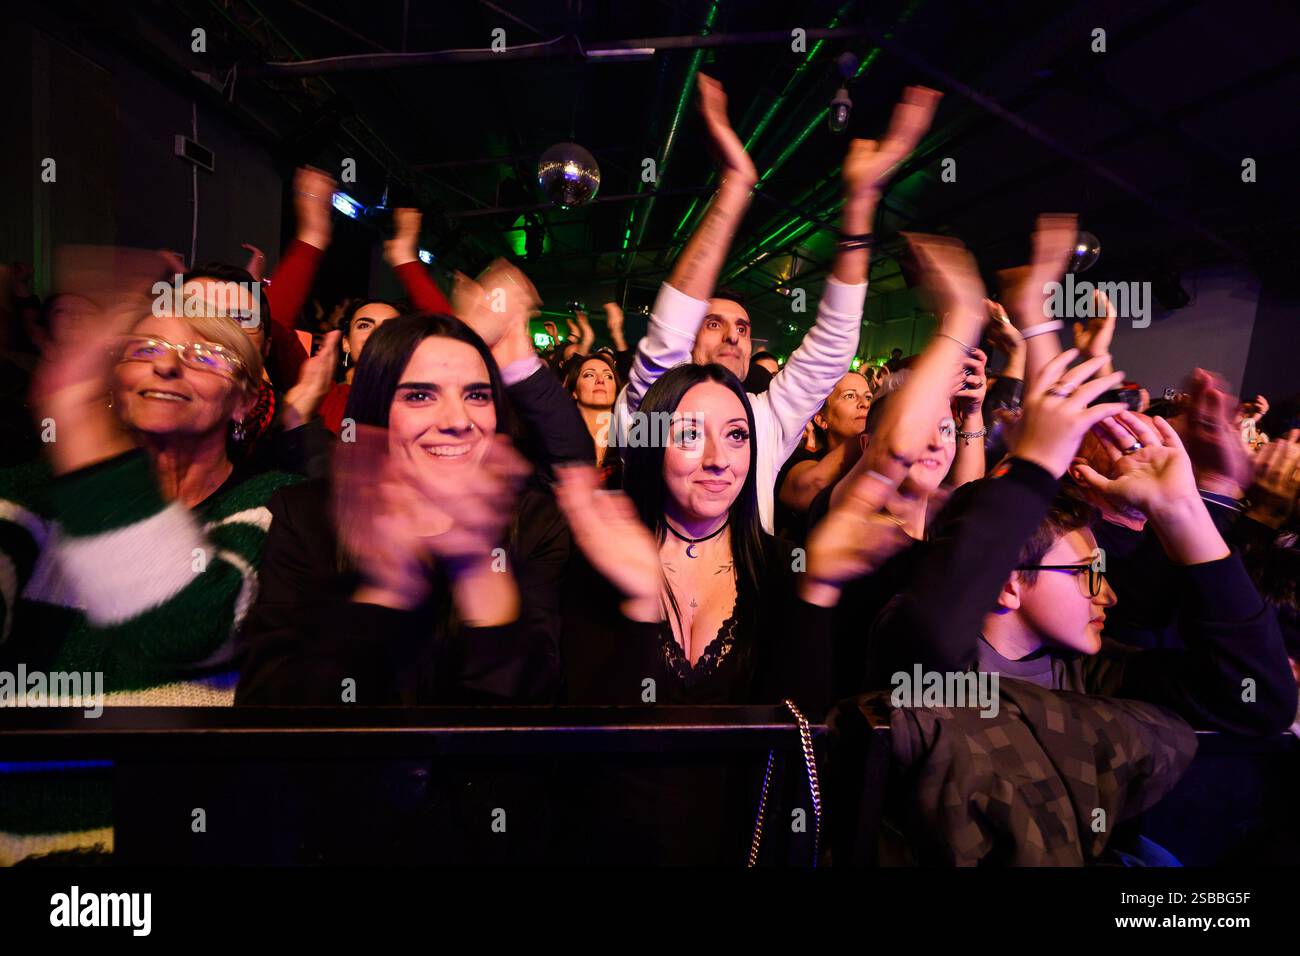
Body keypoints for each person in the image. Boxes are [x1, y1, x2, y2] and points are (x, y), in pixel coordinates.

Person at [553, 363, 877, 863]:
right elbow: (590, 749)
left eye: (735, 436)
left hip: (742, 846)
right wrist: (640, 604)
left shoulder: (780, 569)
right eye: (689, 435)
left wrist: (818, 595)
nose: (717, 459)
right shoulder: (602, 562)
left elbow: (802, 743)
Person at [613, 78, 942, 532]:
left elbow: (832, 348)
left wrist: (862, 201)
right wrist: (734, 188)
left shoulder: (762, 420)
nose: (733, 335)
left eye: (744, 329)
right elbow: (664, 342)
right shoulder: (646, 413)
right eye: (712, 324)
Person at [236, 313, 579, 706]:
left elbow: (533, 711)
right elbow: (270, 707)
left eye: (477, 395)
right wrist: (389, 590)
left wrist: (479, 574)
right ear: (378, 408)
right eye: (420, 395)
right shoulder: (306, 515)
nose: (458, 420)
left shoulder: (534, 523)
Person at [0, 267, 301, 704]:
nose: (166, 364)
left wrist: (80, 427)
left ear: (244, 400)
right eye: (145, 348)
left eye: (205, 354)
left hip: (177, 772)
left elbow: (186, 629)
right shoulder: (27, 494)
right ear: (114, 381)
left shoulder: (275, 504)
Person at [564, 351, 622, 485]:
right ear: (574, 392)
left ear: (616, 390)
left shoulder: (630, 439)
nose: (600, 380)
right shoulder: (558, 438)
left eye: (608, 376)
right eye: (589, 375)